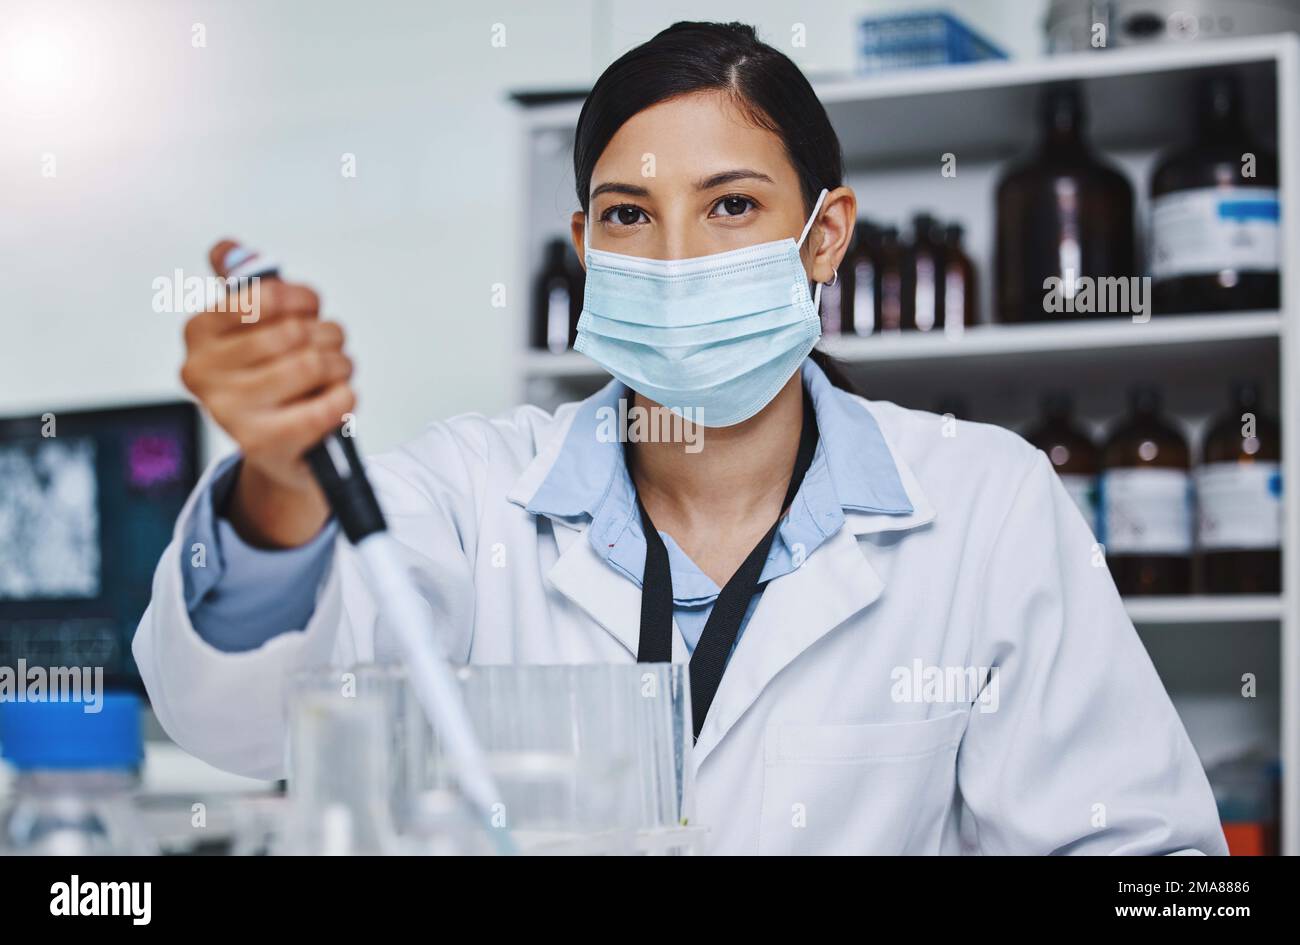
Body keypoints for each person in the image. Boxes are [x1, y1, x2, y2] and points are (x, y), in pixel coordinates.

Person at [135, 21, 1226, 855]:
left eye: (733, 207)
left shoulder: (986, 503)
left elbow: (1148, 860)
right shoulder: (473, 497)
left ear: (824, 236)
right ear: (583, 246)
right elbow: (244, 728)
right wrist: (280, 483)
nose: (674, 257)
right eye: (627, 215)